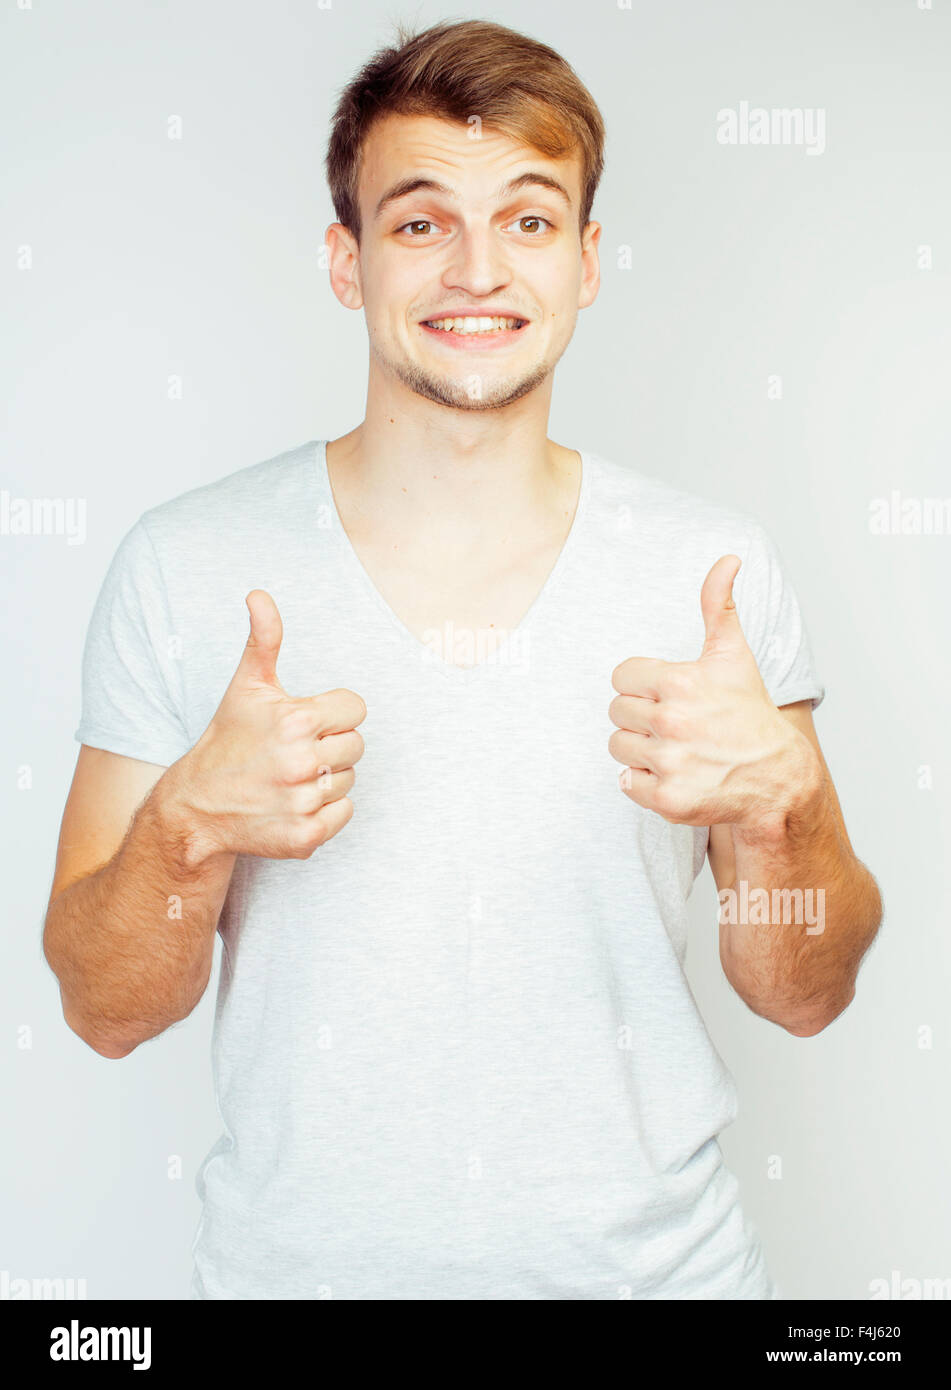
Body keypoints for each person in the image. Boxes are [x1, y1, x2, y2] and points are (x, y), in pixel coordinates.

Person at [43, 18, 881, 1300]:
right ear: (348, 259)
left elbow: (804, 993)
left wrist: (791, 807)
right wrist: (187, 825)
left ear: (588, 261)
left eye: (531, 221)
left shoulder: (713, 575)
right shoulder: (186, 565)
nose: (477, 270)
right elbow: (105, 1009)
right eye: (422, 221)